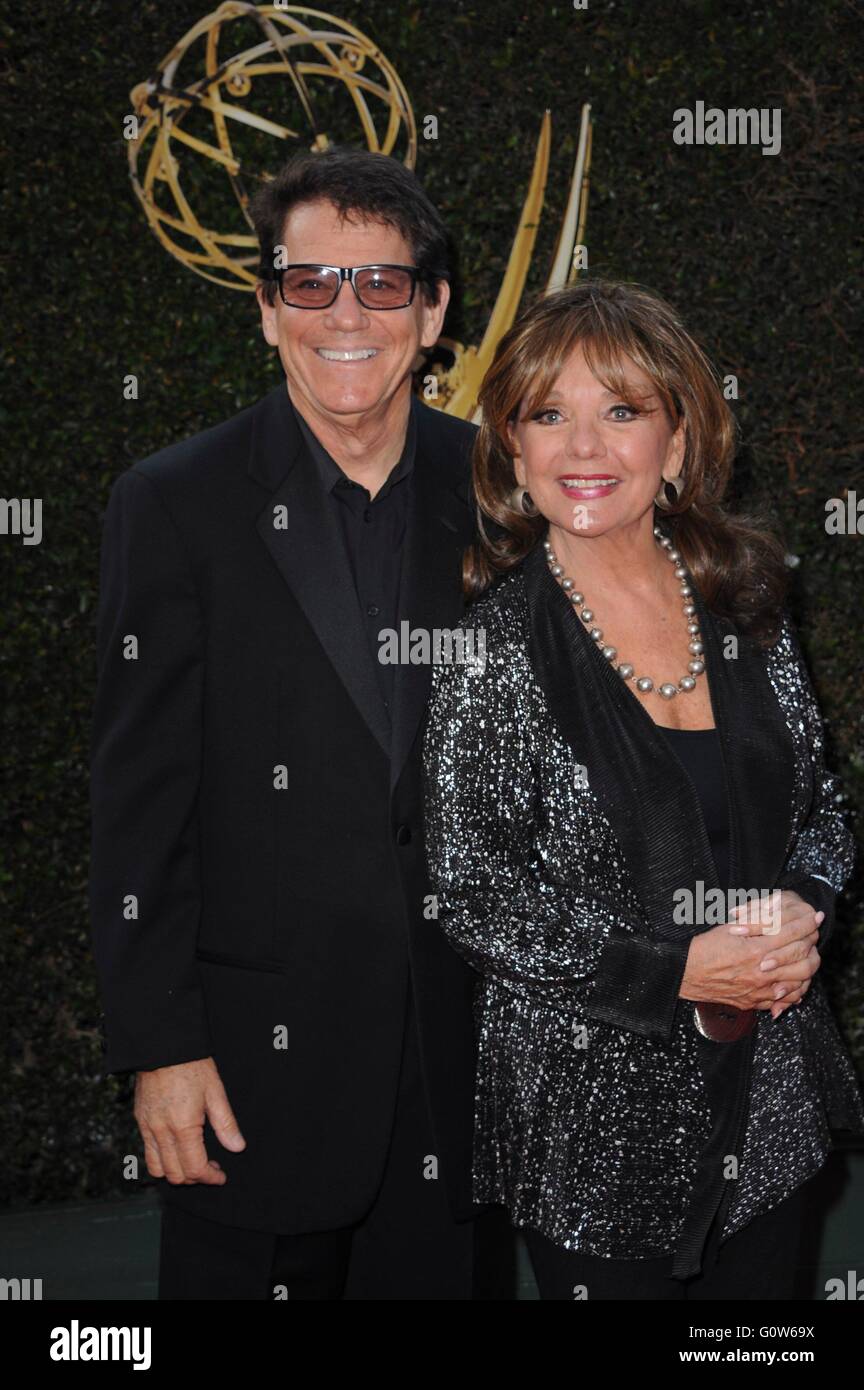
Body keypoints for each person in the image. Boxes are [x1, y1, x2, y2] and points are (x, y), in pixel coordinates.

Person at [421, 278, 864, 1300]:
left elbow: (825, 810)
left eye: (622, 410)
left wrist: (805, 907)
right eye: (548, 414)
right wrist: (677, 970)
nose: (583, 446)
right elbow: (474, 891)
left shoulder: (746, 601)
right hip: (593, 1128)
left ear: (676, 443)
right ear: (514, 451)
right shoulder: (491, 647)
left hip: (768, 1099)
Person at [90, 147, 481, 1300]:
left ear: (433, 311)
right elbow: (138, 803)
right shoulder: (174, 501)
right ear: (268, 310)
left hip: (456, 1064)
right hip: (253, 1070)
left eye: (381, 283)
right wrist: (160, 1045)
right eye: (310, 283)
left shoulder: (503, 489)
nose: (344, 314)